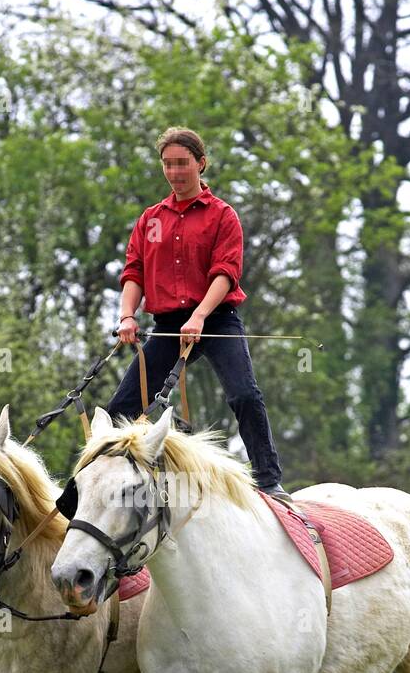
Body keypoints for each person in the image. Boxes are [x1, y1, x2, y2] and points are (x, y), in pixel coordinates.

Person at [105, 125, 292, 500]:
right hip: (168, 324)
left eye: (182, 163)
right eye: (168, 164)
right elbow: (134, 272)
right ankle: (108, 493)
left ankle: (269, 480)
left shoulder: (223, 216)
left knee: (244, 395)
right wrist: (127, 315)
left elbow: (226, 272)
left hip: (216, 317)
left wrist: (201, 315)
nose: (174, 172)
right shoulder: (150, 219)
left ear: (201, 164)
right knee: (119, 411)